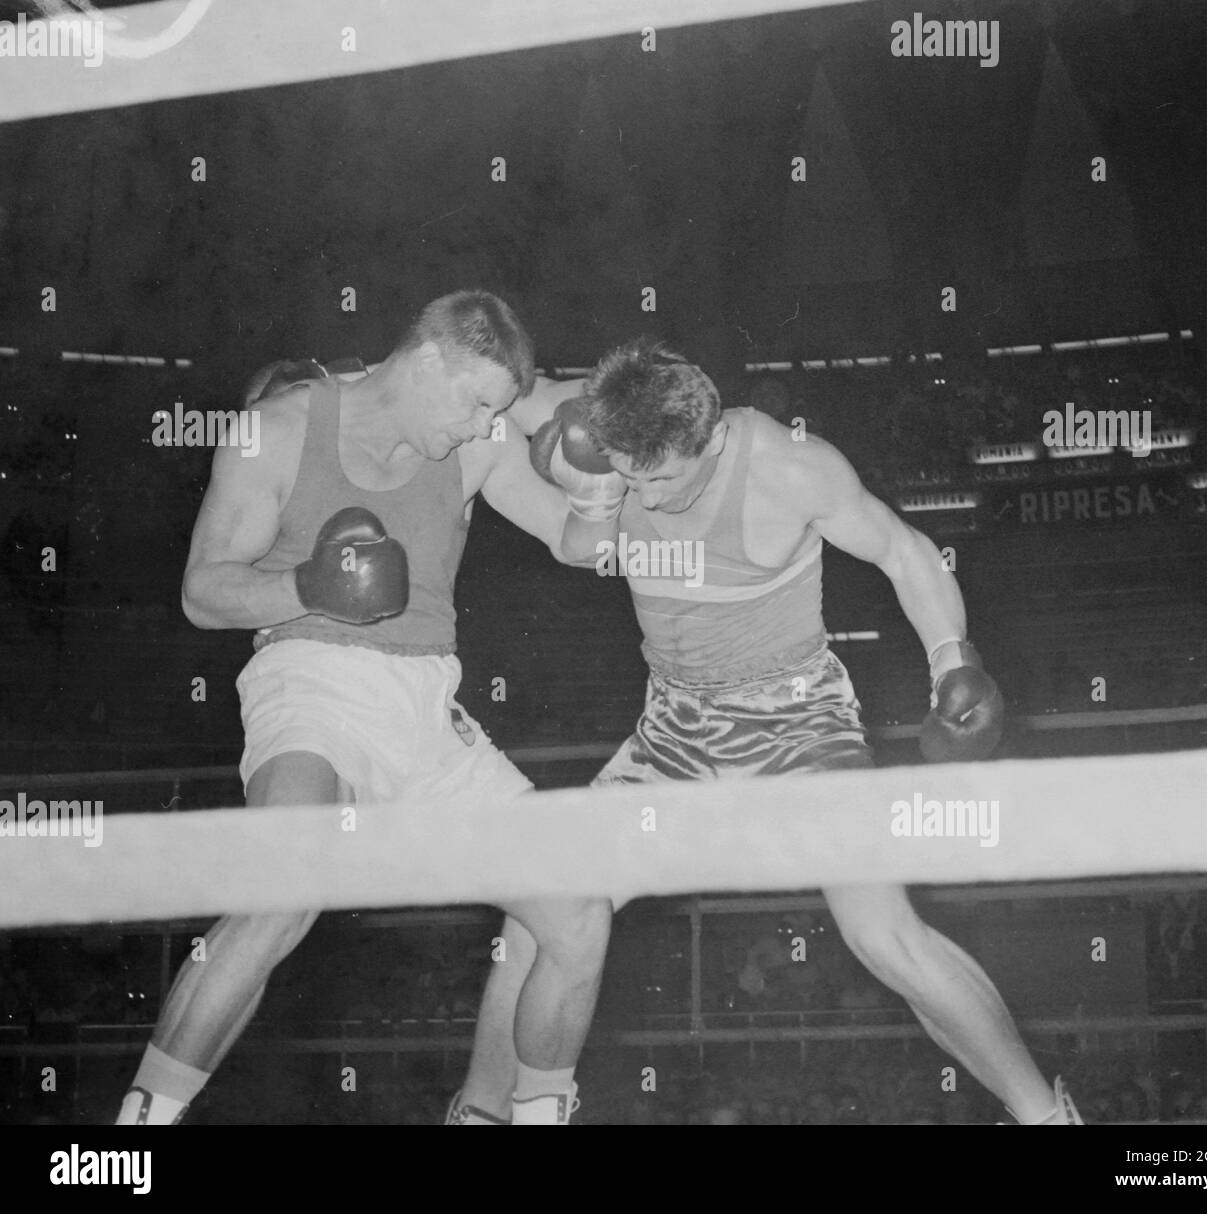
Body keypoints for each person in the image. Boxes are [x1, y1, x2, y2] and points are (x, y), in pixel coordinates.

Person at [454, 337, 1082, 1125]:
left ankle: (1047, 1118)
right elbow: (467, 379)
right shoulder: (586, 416)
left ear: (711, 440)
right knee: (543, 908)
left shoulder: (788, 467)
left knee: (883, 934)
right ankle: (483, 1113)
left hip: (798, 723)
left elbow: (903, 550)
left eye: (665, 481)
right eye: (630, 476)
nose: (643, 498)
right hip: (674, 729)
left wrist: (953, 661)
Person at [116, 290, 623, 1126]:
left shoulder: (479, 444)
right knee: (285, 881)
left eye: (495, 412)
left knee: (576, 908)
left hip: (427, 708)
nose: (479, 427)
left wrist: (598, 488)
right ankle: (138, 1131)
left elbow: (577, 545)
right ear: (426, 362)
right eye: (474, 405)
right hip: (308, 681)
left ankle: (516, 1117)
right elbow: (203, 593)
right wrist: (307, 586)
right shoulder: (276, 432)